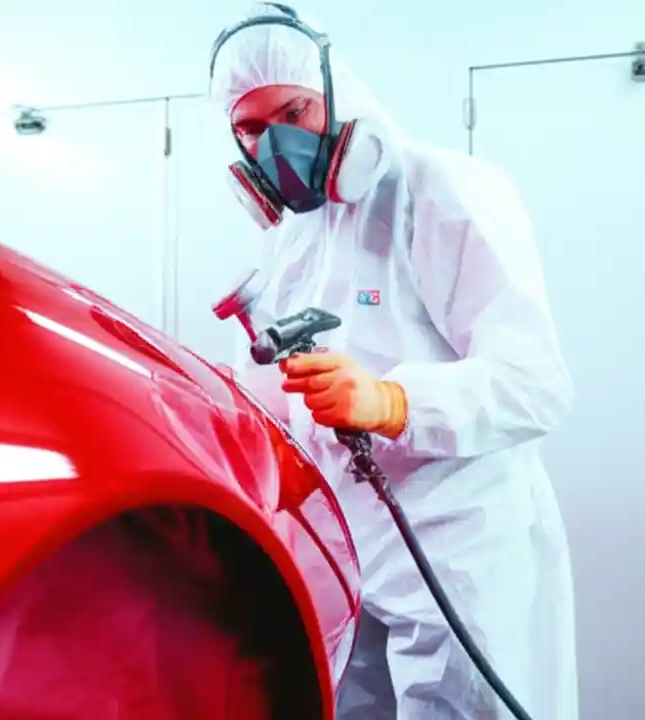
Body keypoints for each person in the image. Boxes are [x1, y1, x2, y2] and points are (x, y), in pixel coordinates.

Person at [209, 4, 580, 718]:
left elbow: (537, 384)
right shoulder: (290, 235)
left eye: (294, 112)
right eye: (250, 129)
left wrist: (392, 402)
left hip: (456, 556)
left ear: (337, 92)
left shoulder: (441, 190)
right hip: (344, 557)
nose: (275, 145)